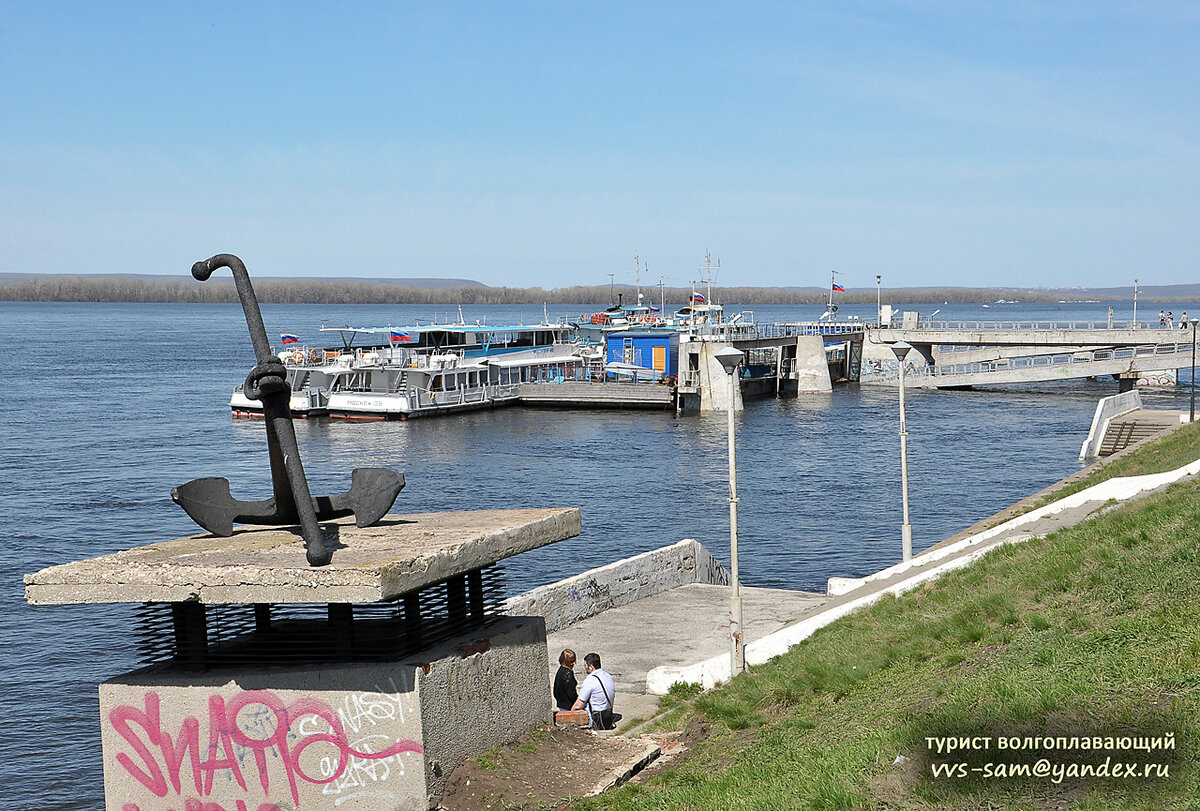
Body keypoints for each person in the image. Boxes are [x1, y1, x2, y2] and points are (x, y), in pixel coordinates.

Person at [572, 652, 616, 729]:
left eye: (585, 666)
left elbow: (578, 705)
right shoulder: (608, 676)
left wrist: (570, 714)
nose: (585, 668)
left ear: (591, 667)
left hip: (597, 717)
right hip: (608, 713)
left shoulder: (590, 680)